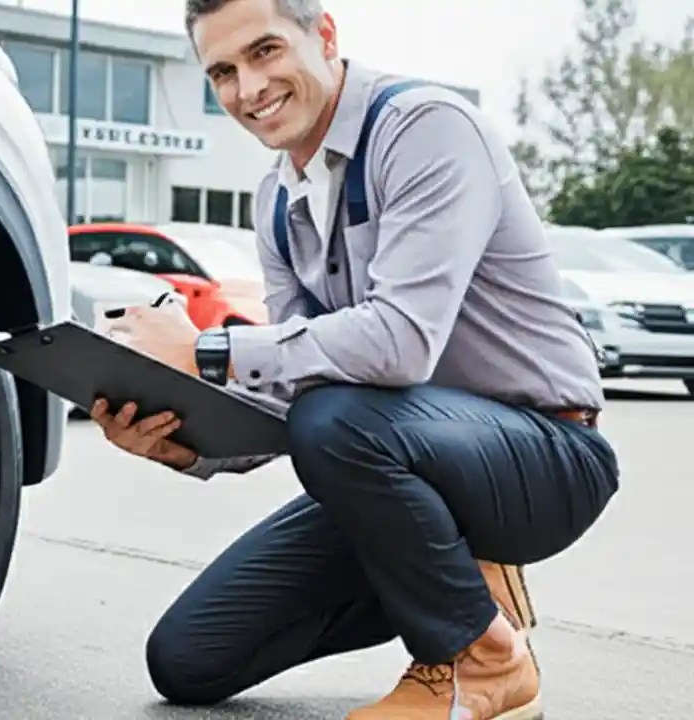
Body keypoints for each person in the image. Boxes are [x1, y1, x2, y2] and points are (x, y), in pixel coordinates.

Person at [88, 0, 620, 718]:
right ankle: (456, 575)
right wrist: (182, 440)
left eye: (265, 51)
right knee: (187, 659)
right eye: (222, 71)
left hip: (545, 453)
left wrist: (207, 347)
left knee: (335, 416)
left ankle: (483, 659)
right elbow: (289, 390)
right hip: (393, 465)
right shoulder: (278, 199)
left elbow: (399, 343)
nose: (248, 89)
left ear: (326, 35)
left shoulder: (425, 130)